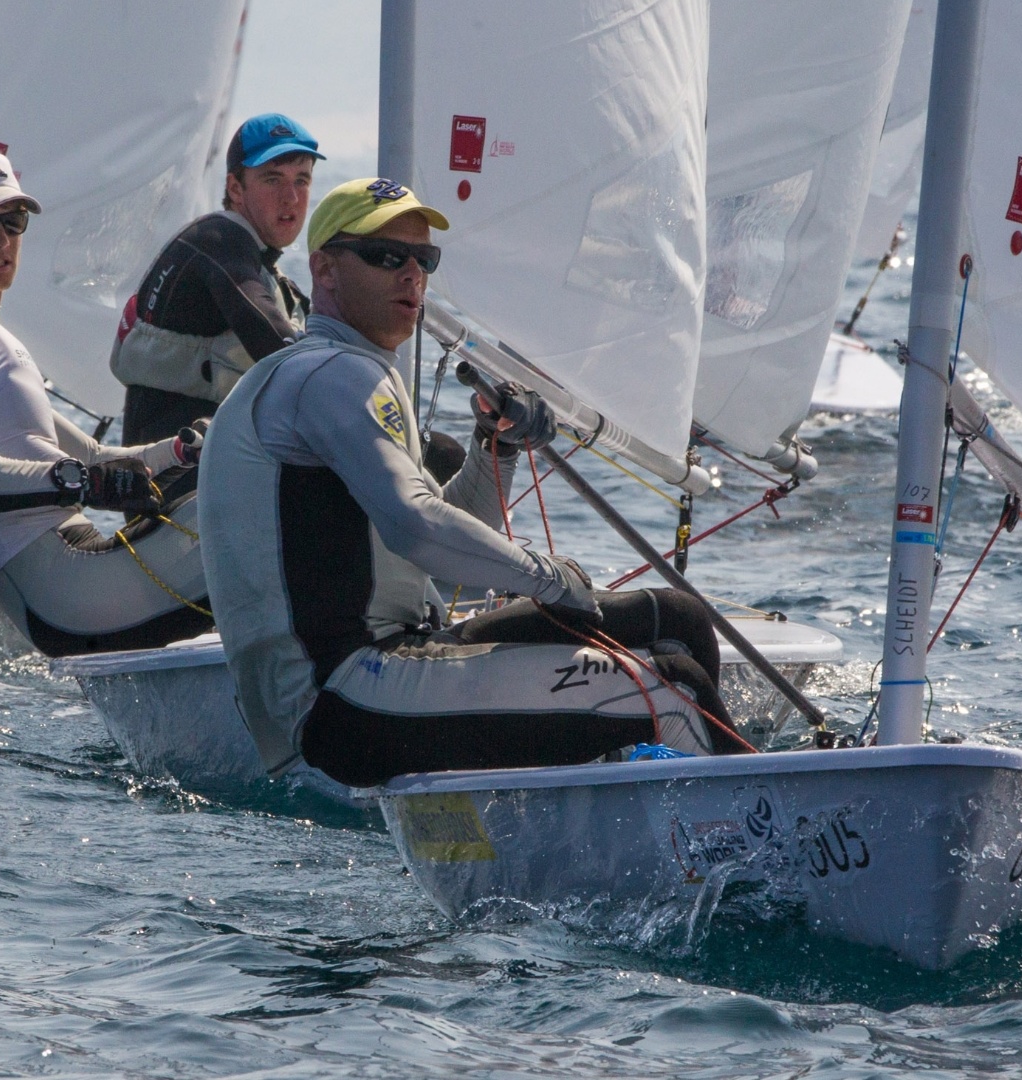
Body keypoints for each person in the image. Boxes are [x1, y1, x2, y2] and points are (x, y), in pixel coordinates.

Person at [199, 178, 735, 789]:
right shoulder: (332, 374)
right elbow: (416, 527)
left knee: (677, 619)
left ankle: (687, 794)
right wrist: (549, 577)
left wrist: (494, 446)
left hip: (383, 674)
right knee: (674, 689)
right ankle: (761, 823)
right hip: (343, 702)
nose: (411, 274)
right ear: (324, 269)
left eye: (423, 259)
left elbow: (438, 554)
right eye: (385, 256)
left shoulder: (335, 373)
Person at [0, 142, 213, 657]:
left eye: (13, 222)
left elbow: (92, 458)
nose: (2, 240)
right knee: (274, 504)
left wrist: (184, 451)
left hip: (85, 580)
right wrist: (78, 481)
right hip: (75, 596)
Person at [110, 113, 319, 463]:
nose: (292, 197)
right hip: (175, 484)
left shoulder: (270, 273)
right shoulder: (218, 242)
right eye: (273, 179)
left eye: (302, 180)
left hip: (215, 468)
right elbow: (277, 346)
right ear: (235, 188)